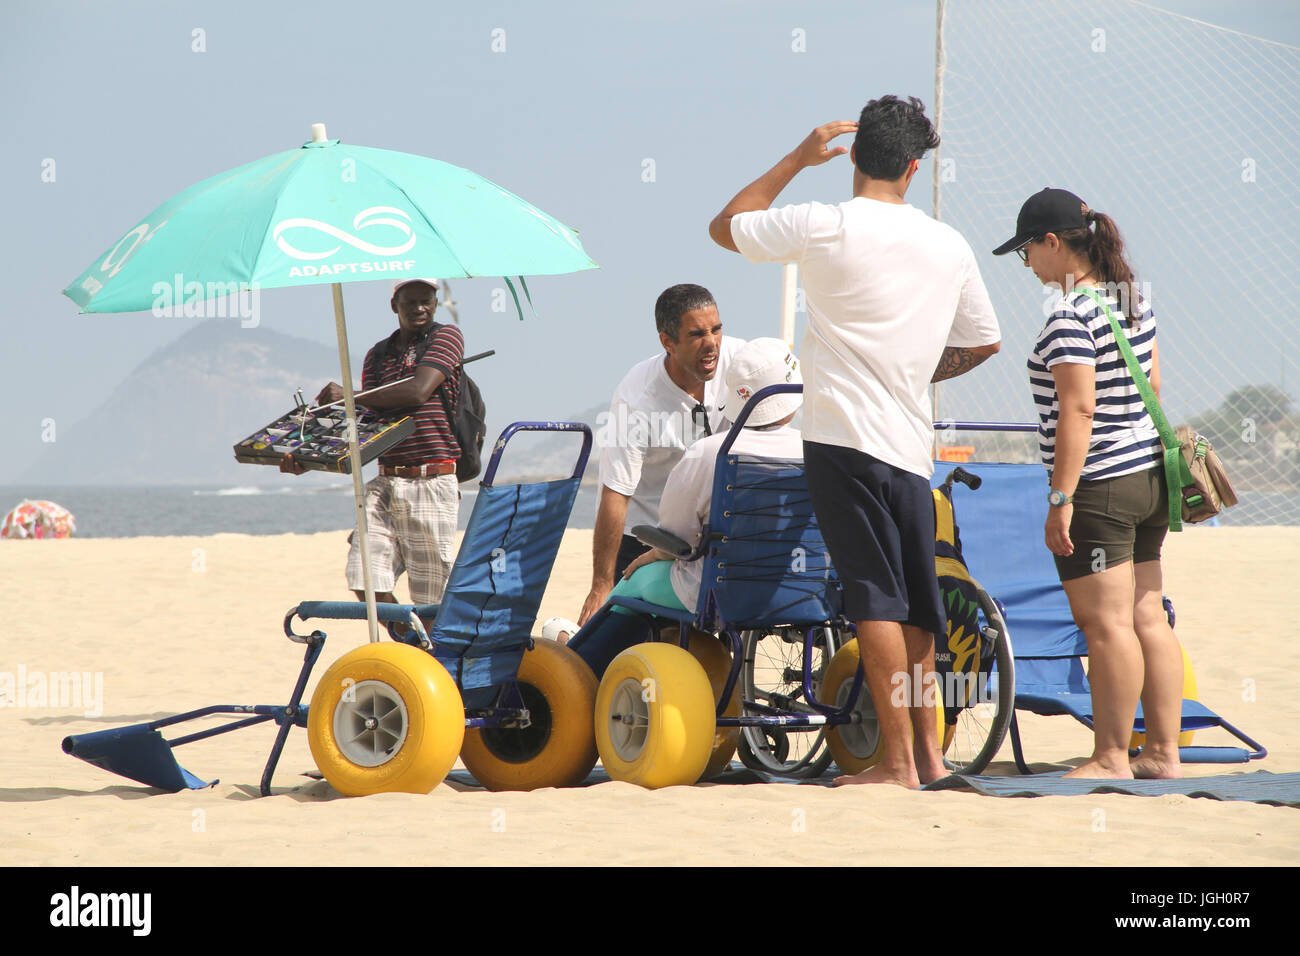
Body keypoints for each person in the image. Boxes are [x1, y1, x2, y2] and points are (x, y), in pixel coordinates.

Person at [709, 95, 1001, 789]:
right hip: (909, 444)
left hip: (841, 440)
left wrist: (797, 158)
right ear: (911, 165)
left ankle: (897, 766)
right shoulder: (947, 243)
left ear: (855, 156)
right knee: (919, 608)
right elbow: (983, 341)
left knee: (874, 600)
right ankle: (930, 758)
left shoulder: (824, 224)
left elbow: (725, 227)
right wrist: (915, 366)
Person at [993, 187, 1182, 780]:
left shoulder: (1068, 316)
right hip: (1151, 475)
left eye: (1027, 251)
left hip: (1100, 484)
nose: (1027, 266)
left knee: (1106, 627)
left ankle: (1110, 757)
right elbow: (1154, 381)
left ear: (1053, 243)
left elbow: (1078, 411)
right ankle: (1162, 753)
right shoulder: (1132, 300)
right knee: (1149, 616)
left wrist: (1060, 498)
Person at [568, 338, 804, 679]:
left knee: (630, 586)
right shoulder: (815, 452)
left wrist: (648, 556)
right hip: (793, 590)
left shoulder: (709, 453)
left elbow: (674, 539)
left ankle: (582, 671)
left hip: (717, 593)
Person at [281, 277, 465, 608]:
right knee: (364, 579)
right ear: (394, 305)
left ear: (436, 303)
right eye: (411, 302)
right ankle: (409, 642)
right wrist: (307, 459)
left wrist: (347, 396)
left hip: (431, 480)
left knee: (430, 602)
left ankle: (424, 651)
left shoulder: (447, 336)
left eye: (428, 300)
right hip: (386, 480)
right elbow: (369, 423)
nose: (420, 308)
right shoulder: (378, 355)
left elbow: (418, 390)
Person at [577, 283, 744, 625]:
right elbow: (615, 494)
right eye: (697, 334)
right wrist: (600, 584)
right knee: (622, 642)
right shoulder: (636, 397)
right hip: (649, 534)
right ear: (668, 342)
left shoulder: (741, 363)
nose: (712, 342)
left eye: (716, 329)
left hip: (714, 531)